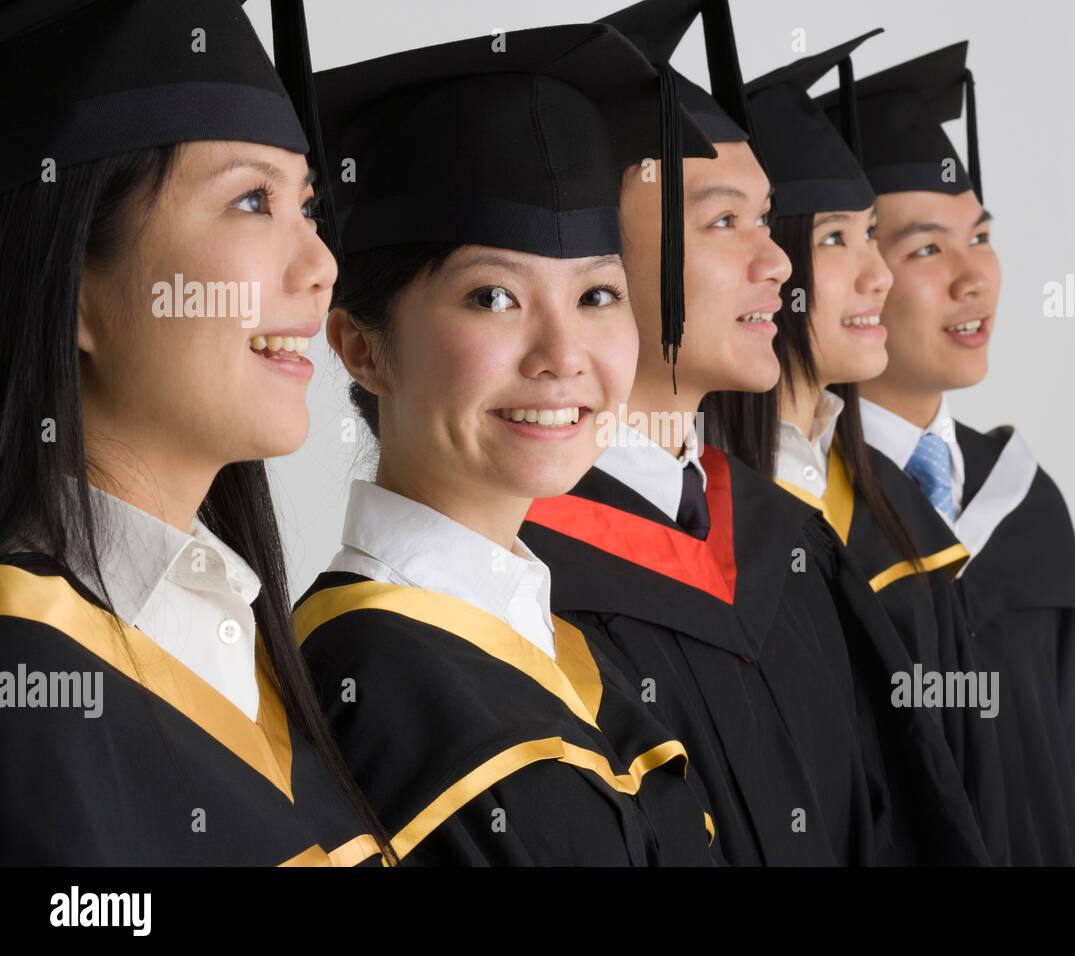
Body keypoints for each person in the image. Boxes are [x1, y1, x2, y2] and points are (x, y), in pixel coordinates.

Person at [523, 0, 960, 866]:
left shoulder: (786, 542)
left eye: (769, 220)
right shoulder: (531, 579)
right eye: (726, 222)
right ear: (595, 255)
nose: (780, 263)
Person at [293, 23, 722, 865]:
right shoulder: (358, 686)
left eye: (599, 294)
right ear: (359, 346)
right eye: (493, 297)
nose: (563, 356)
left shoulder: (567, 653)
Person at [0, 0, 388, 865]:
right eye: (253, 200)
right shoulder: (29, 687)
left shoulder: (245, 649)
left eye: (308, 204)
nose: (322, 265)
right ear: (76, 288)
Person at [820, 41, 1075, 864]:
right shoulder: (804, 522)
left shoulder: (1023, 501)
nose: (975, 279)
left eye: (981, 236)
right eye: (925, 248)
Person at [700, 33, 1003, 864]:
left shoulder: (893, 512)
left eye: (872, 235)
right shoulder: (702, 534)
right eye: (836, 238)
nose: (880, 276)